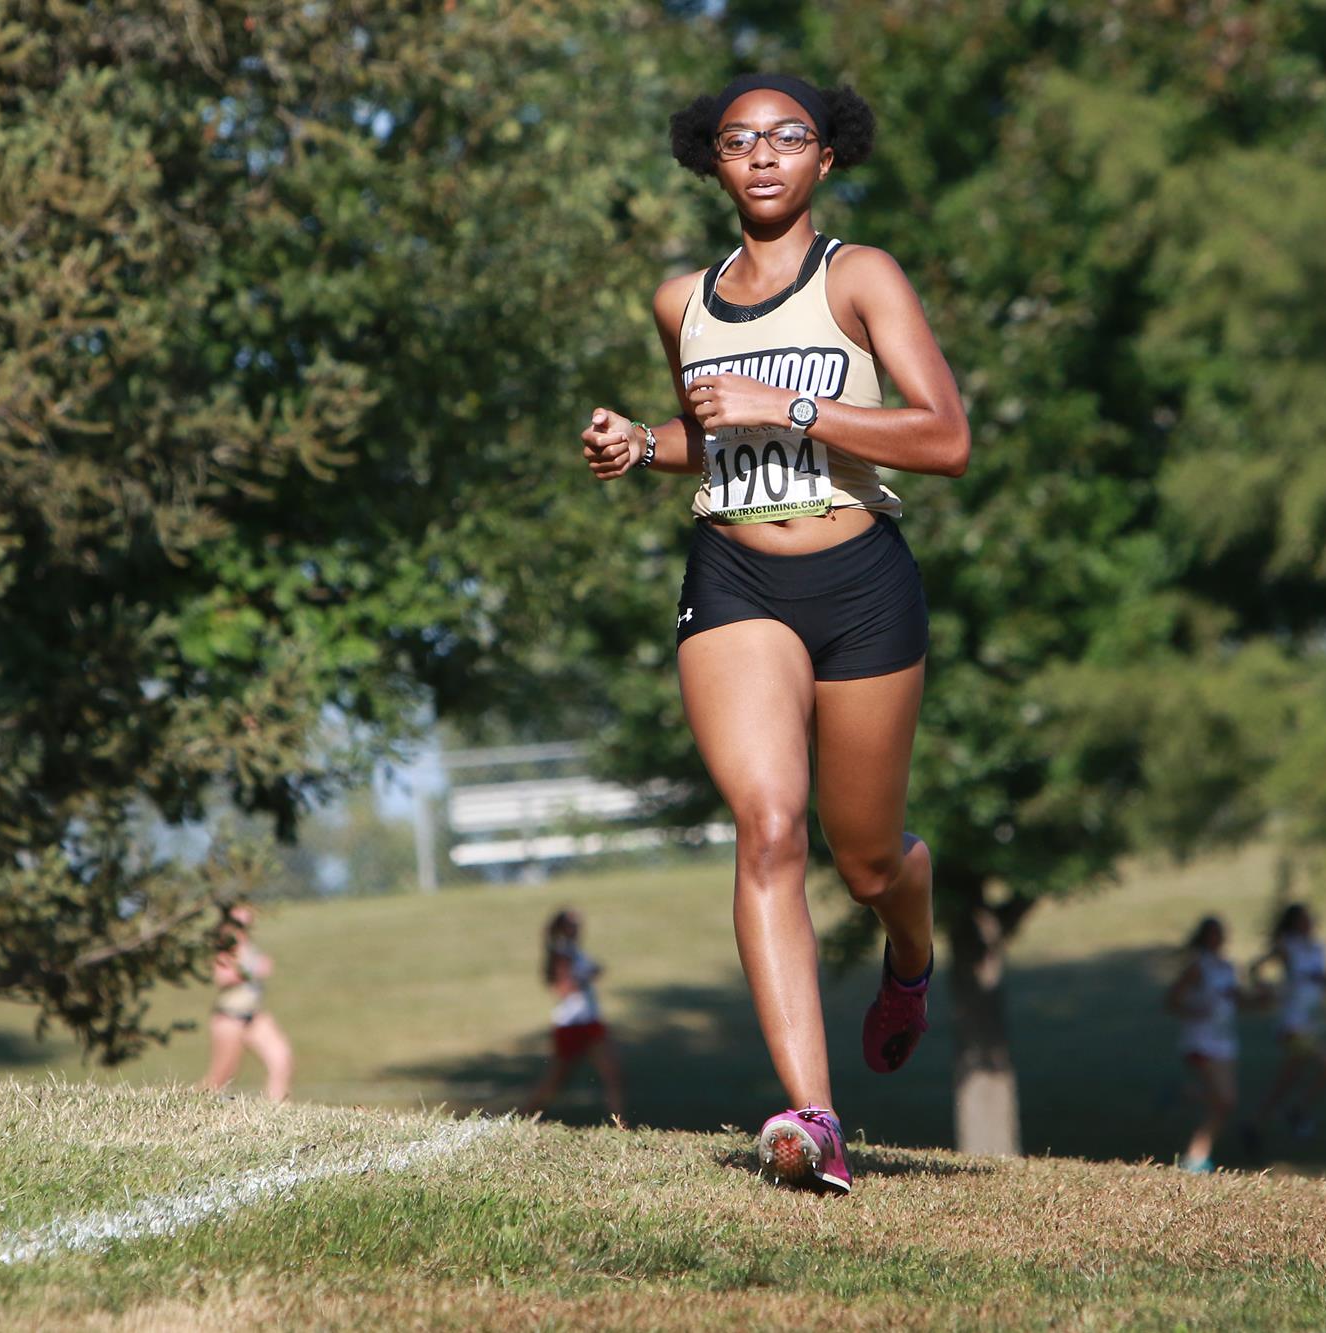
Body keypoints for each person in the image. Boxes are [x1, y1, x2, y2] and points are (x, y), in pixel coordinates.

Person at [579, 73, 968, 1194]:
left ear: (824, 159)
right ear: (709, 161)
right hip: (735, 572)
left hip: (860, 583)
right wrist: (634, 445)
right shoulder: (678, 303)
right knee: (767, 826)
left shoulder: (860, 277)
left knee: (861, 860)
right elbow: (709, 442)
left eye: (786, 137)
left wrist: (788, 404)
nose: (760, 155)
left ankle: (910, 931)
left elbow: (942, 438)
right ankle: (812, 1116)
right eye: (736, 140)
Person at [1242, 902, 1326, 1153]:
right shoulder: (1288, 947)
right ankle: (1297, 1111)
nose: (1308, 923)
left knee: (1286, 1081)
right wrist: (1266, 988)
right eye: (1303, 919)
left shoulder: (1318, 948)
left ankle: (1255, 1123)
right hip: (1293, 1024)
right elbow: (1256, 967)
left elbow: (1319, 981)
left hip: (1311, 1021)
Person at [522, 908, 627, 1122]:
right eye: (573, 924)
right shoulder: (561, 952)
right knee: (556, 1081)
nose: (578, 928)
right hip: (572, 1022)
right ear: (563, 927)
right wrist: (584, 977)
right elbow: (561, 987)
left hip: (589, 1019)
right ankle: (523, 1117)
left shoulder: (574, 951)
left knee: (612, 1073)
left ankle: (621, 1124)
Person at [1164, 915, 1246, 1173]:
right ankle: (1195, 1154)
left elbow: (1238, 1001)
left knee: (1227, 1102)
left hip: (1224, 1041)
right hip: (1200, 1041)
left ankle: (1198, 1155)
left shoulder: (1227, 967)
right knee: (1222, 1099)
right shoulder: (1198, 967)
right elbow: (1172, 1000)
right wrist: (1195, 1011)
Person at [197, 904, 294, 1102]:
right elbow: (221, 976)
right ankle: (186, 1106)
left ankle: (277, 1109)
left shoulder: (246, 940)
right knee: (220, 1078)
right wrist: (252, 971)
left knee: (281, 1058)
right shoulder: (226, 939)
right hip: (231, 1016)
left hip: (254, 1014)